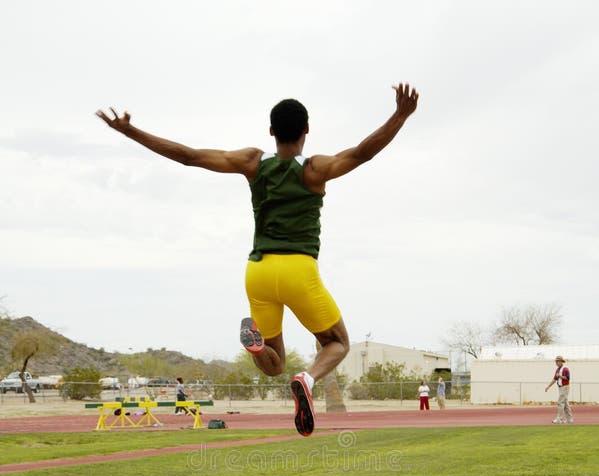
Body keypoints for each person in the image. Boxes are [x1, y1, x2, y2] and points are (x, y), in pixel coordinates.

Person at [96, 84, 419, 436]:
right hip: (298, 270)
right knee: (337, 342)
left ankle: (258, 347)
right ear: (306, 130)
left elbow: (189, 156)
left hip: (258, 271)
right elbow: (361, 154)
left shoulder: (252, 161)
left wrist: (130, 131)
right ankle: (308, 379)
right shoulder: (314, 169)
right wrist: (400, 115)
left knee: (273, 364)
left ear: (271, 131)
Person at [545, 354, 573, 424]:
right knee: (565, 403)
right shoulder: (558, 369)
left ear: (561, 361)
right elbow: (554, 379)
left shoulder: (565, 369)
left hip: (565, 387)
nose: (556, 363)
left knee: (560, 402)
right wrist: (548, 386)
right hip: (561, 387)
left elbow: (567, 378)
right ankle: (569, 419)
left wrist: (560, 376)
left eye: (557, 361)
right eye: (556, 361)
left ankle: (559, 419)